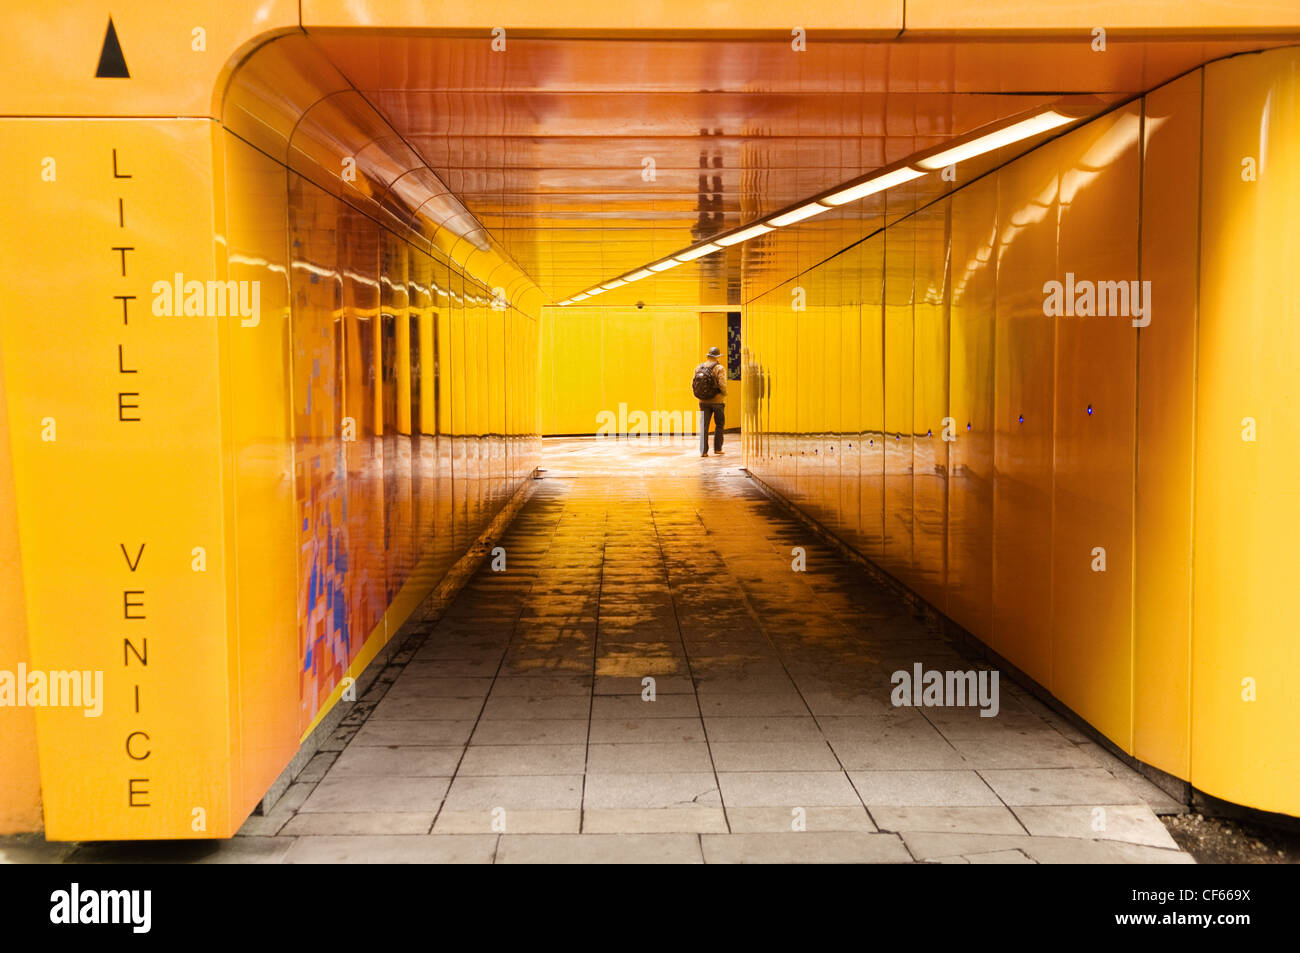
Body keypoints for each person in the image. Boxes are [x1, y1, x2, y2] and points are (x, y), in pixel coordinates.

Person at [692, 345, 728, 456]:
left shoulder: (699, 368)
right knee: (719, 424)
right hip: (717, 401)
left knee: (704, 426)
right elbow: (722, 384)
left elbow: (693, 384)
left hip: (703, 402)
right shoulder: (719, 368)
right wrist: (725, 394)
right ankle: (717, 449)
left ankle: (703, 451)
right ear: (717, 357)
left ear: (708, 356)